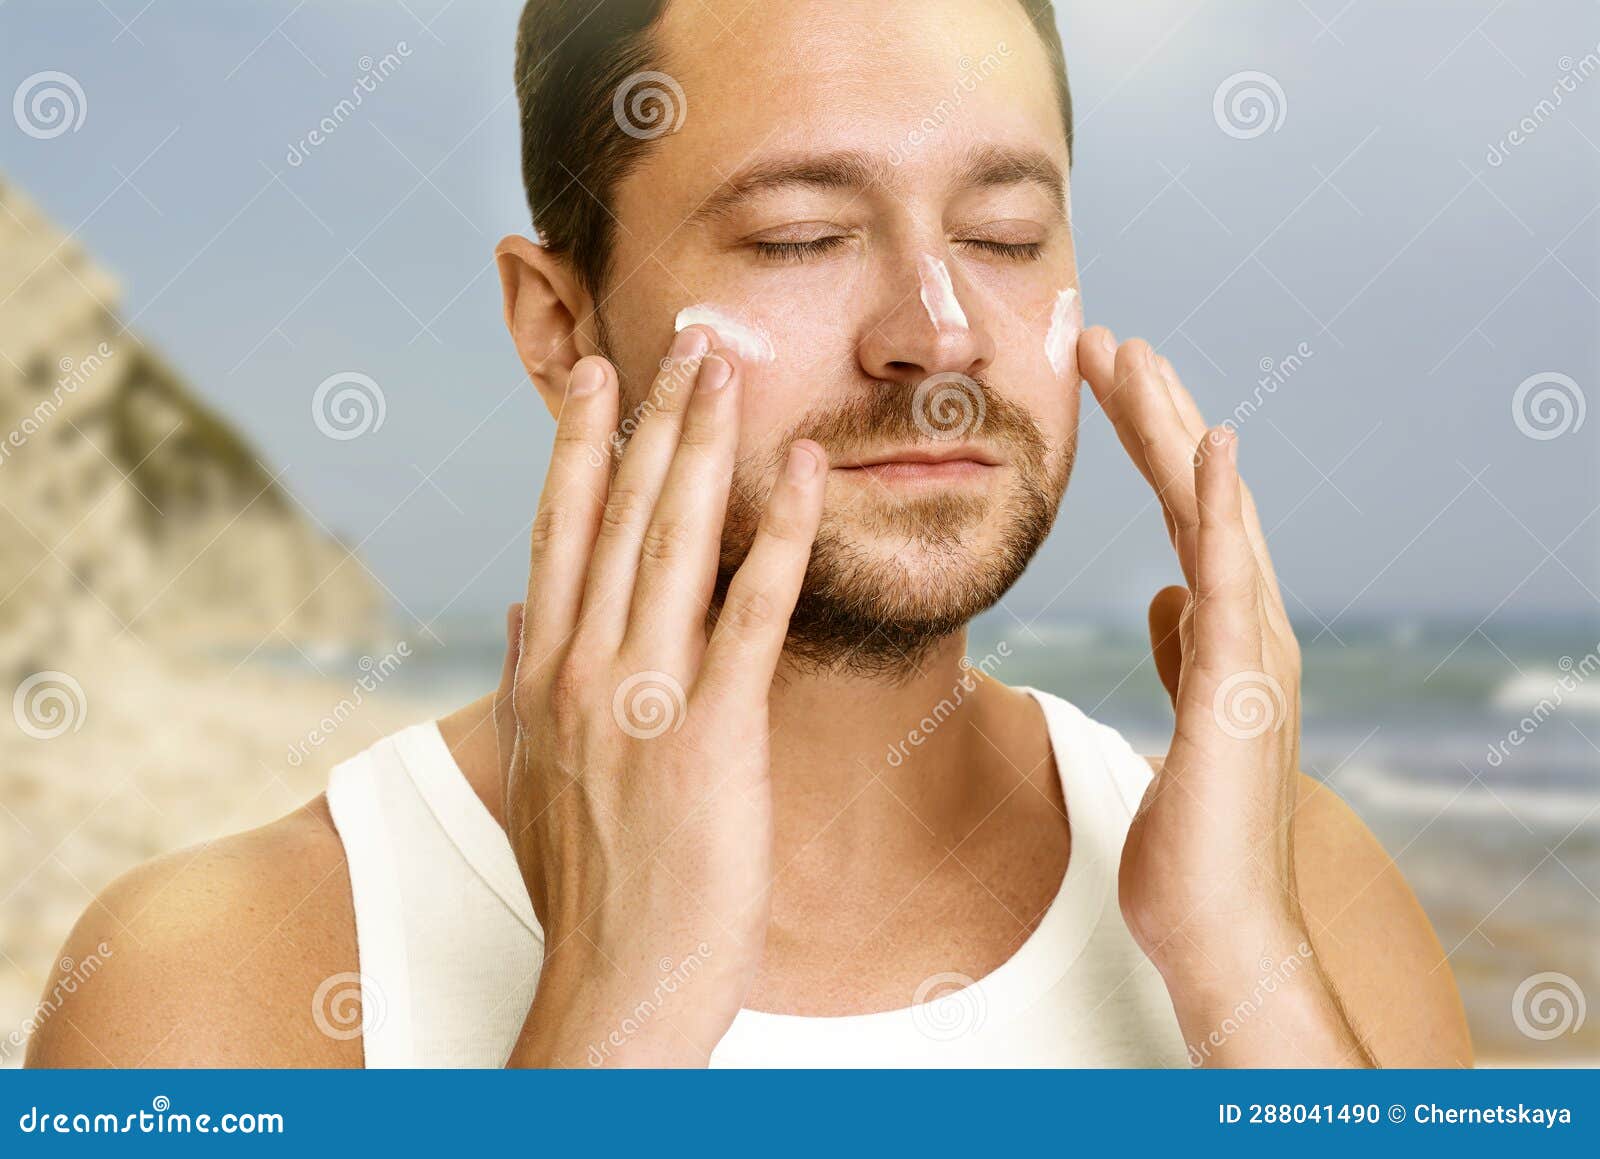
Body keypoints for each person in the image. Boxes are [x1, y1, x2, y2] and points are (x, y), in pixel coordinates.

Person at [28, 0, 1472, 1068]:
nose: (940, 337)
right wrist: (617, 1019)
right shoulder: (209, 987)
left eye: (1009, 233)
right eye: (799, 237)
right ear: (557, 323)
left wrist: (1244, 983)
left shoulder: (1304, 904)